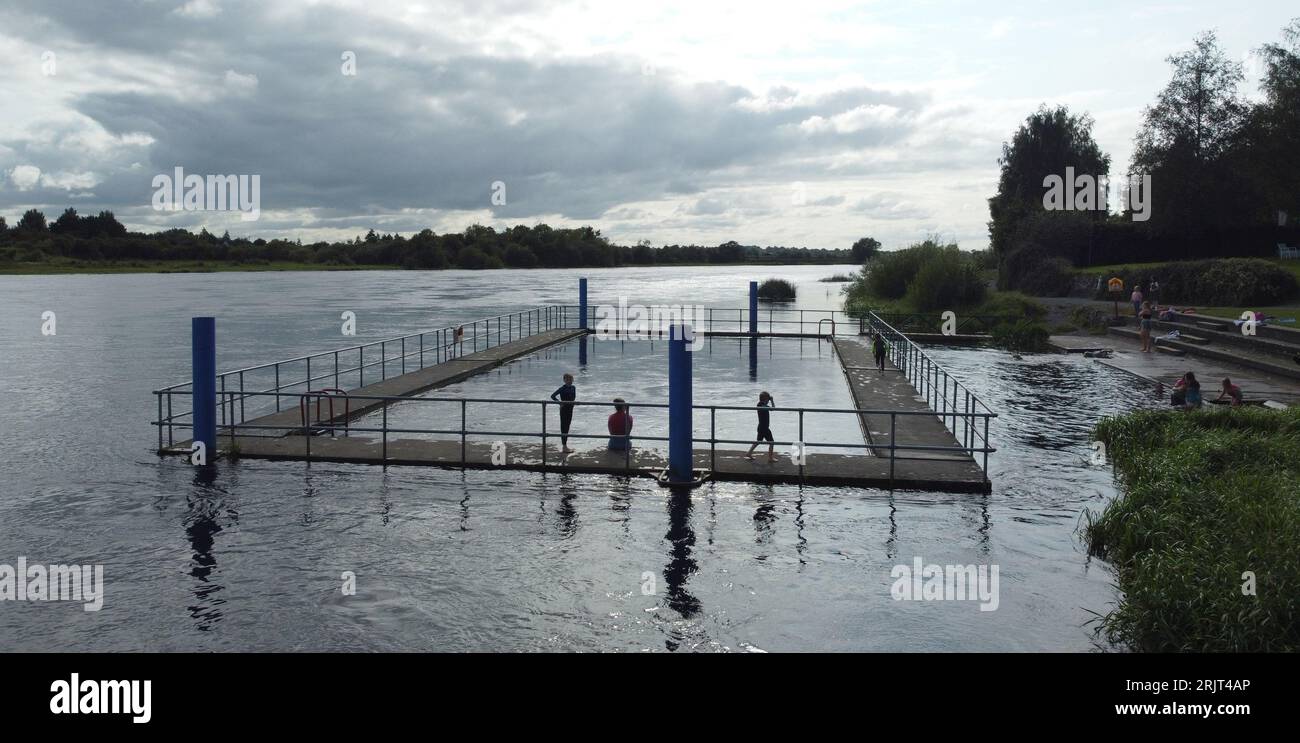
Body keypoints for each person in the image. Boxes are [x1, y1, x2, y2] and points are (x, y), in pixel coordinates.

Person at [745, 391, 777, 462]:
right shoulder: (760, 405)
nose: (768, 401)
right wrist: (771, 400)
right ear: (765, 399)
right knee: (772, 442)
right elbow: (771, 408)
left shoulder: (763, 405)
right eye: (768, 399)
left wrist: (771, 400)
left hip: (761, 427)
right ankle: (770, 458)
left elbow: (772, 409)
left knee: (758, 441)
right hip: (764, 428)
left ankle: (749, 453)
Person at [550, 372, 577, 453]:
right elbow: (553, 396)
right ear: (564, 380)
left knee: (568, 426)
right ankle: (564, 446)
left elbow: (573, 398)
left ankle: (565, 446)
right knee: (563, 427)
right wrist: (559, 402)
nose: (569, 380)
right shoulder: (562, 388)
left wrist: (574, 402)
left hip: (570, 409)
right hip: (564, 409)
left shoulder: (573, 387)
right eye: (567, 379)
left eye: (570, 379)